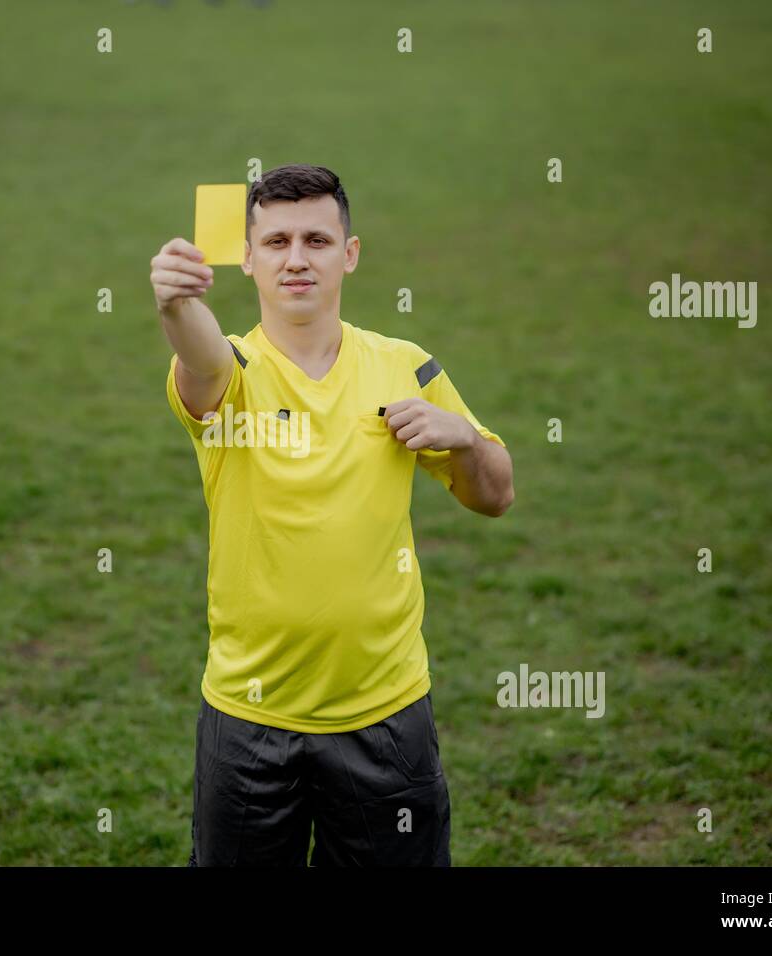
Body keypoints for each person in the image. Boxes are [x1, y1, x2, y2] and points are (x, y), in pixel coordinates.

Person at [151, 164, 514, 866]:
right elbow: (198, 358)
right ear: (247, 258)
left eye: (316, 240)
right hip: (249, 718)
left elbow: (495, 496)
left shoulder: (406, 366)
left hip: (386, 714)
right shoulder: (232, 373)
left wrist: (464, 439)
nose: (296, 258)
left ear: (348, 254)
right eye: (277, 241)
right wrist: (174, 305)